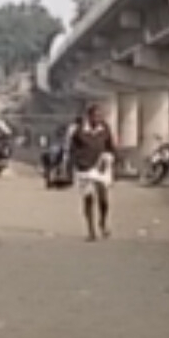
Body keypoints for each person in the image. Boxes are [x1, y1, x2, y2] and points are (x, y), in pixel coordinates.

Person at [68, 103, 117, 241]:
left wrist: (110, 158)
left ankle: (103, 221)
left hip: (100, 167)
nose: (98, 119)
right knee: (88, 199)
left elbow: (110, 146)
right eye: (95, 116)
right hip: (84, 168)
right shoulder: (79, 131)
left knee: (103, 199)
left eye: (100, 116)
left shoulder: (105, 129)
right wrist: (76, 163)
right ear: (89, 116)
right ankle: (91, 231)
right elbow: (72, 149)